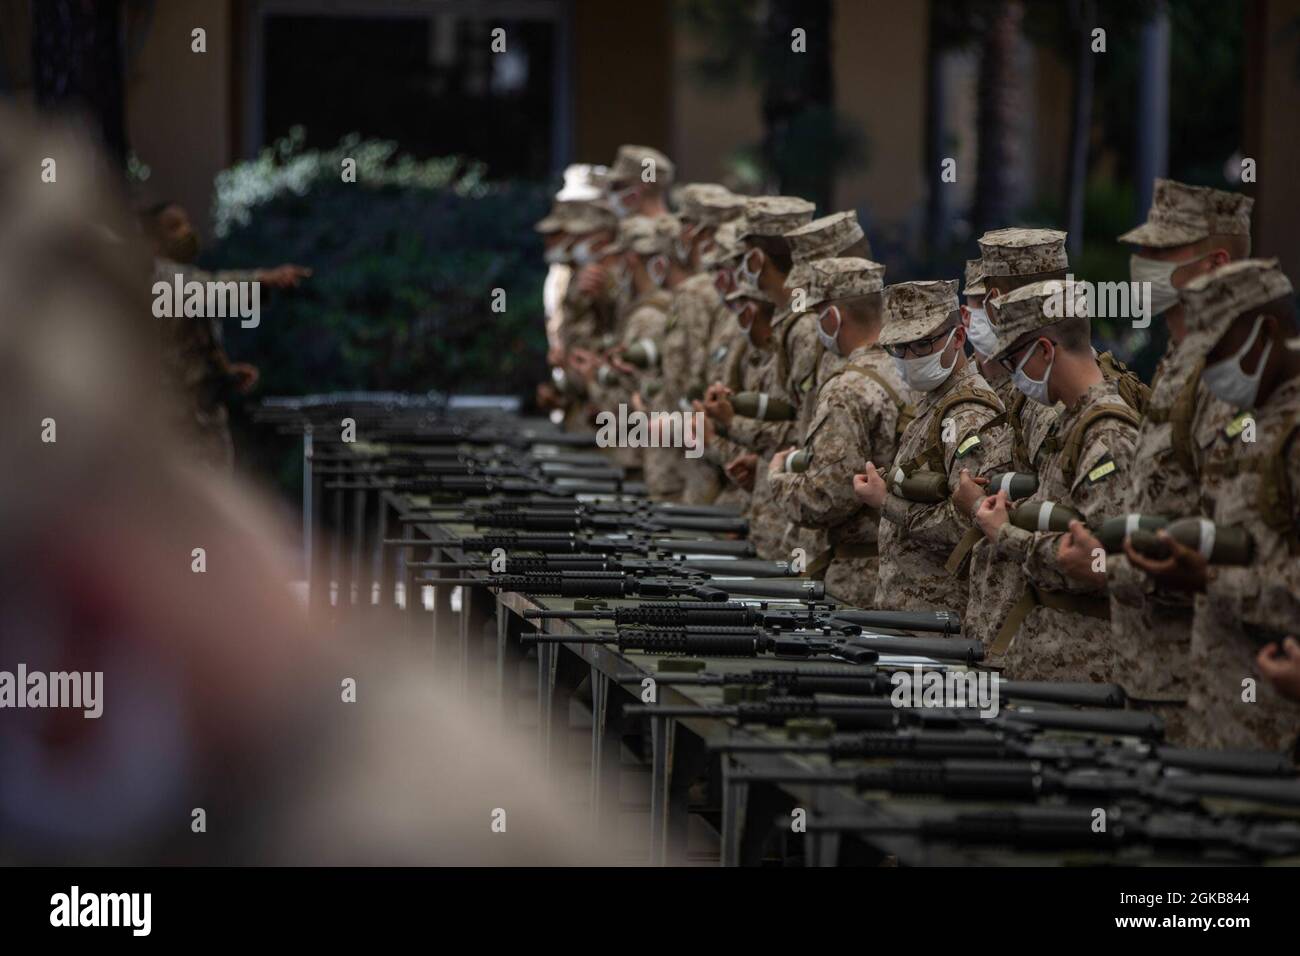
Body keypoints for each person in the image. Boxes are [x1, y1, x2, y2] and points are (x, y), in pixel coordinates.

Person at [1061, 180, 1253, 741]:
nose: (1139, 265)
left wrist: (1101, 566)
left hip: (1198, 690)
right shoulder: (1178, 364)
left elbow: (1226, 548)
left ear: (1215, 263)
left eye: (1160, 253)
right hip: (1145, 672)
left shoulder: (1229, 377)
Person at [1126, 258, 1300, 755]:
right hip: (1222, 721)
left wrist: (1208, 579)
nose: (1206, 372)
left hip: (1278, 738)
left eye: (1216, 353)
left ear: (1266, 333)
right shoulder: (1250, 426)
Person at [971, 281, 1139, 682]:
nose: (1012, 377)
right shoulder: (1071, 422)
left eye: (1013, 361)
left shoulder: (1107, 435)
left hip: (1082, 672)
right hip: (1050, 661)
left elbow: (1094, 561)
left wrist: (1005, 534)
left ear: (1045, 350)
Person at [853, 280, 1010, 616]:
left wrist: (886, 503)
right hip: (912, 615)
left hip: (940, 617)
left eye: (922, 344)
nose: (909, 357)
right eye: (899, 347)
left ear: (957, 338)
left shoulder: (969, 413)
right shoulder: (936, 401)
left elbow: (969, 522)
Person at [767, 258, 910, 606]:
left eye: (819, 315)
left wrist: (777, 479)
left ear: (832, 317)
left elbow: (828, 496)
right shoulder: (909, 372)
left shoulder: (847, 388)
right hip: (900, 567)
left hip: (856, 575)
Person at [142, 201, 311, 471]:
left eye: (187, 223)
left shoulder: (176, 277)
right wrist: (264, 279)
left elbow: (190, 345)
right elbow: (213, 293)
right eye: (175, 227)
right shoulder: (164, 278)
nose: (187, 232)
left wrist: (224, 372)